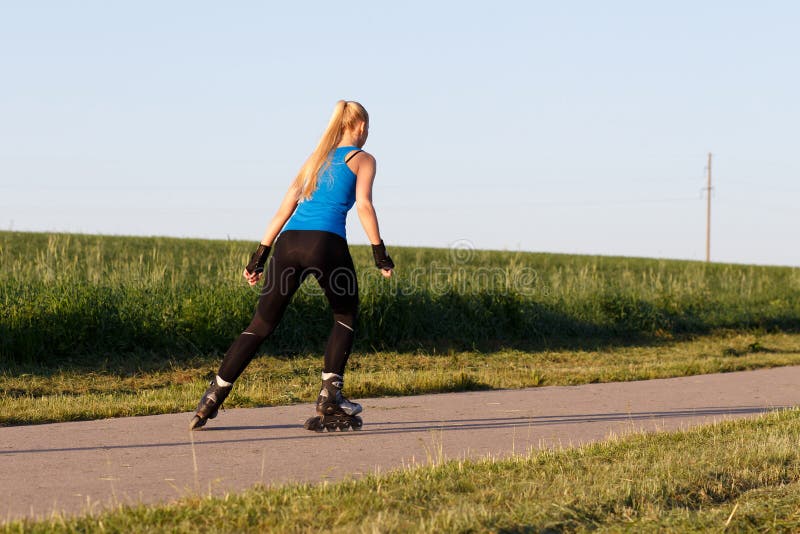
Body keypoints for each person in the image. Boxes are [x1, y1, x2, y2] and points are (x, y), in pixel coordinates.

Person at [190, 100, 394, 432]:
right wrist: (380, 253)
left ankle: (213, 395)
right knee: (345, 314)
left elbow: (285, 206)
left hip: (288, 242)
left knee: (260, 325)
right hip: (325, 243)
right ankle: (330, 396)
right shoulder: (363, 160)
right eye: (367, 128)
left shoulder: (314, 160)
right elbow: (365, 206)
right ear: (359, 127)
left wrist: (259, 256)